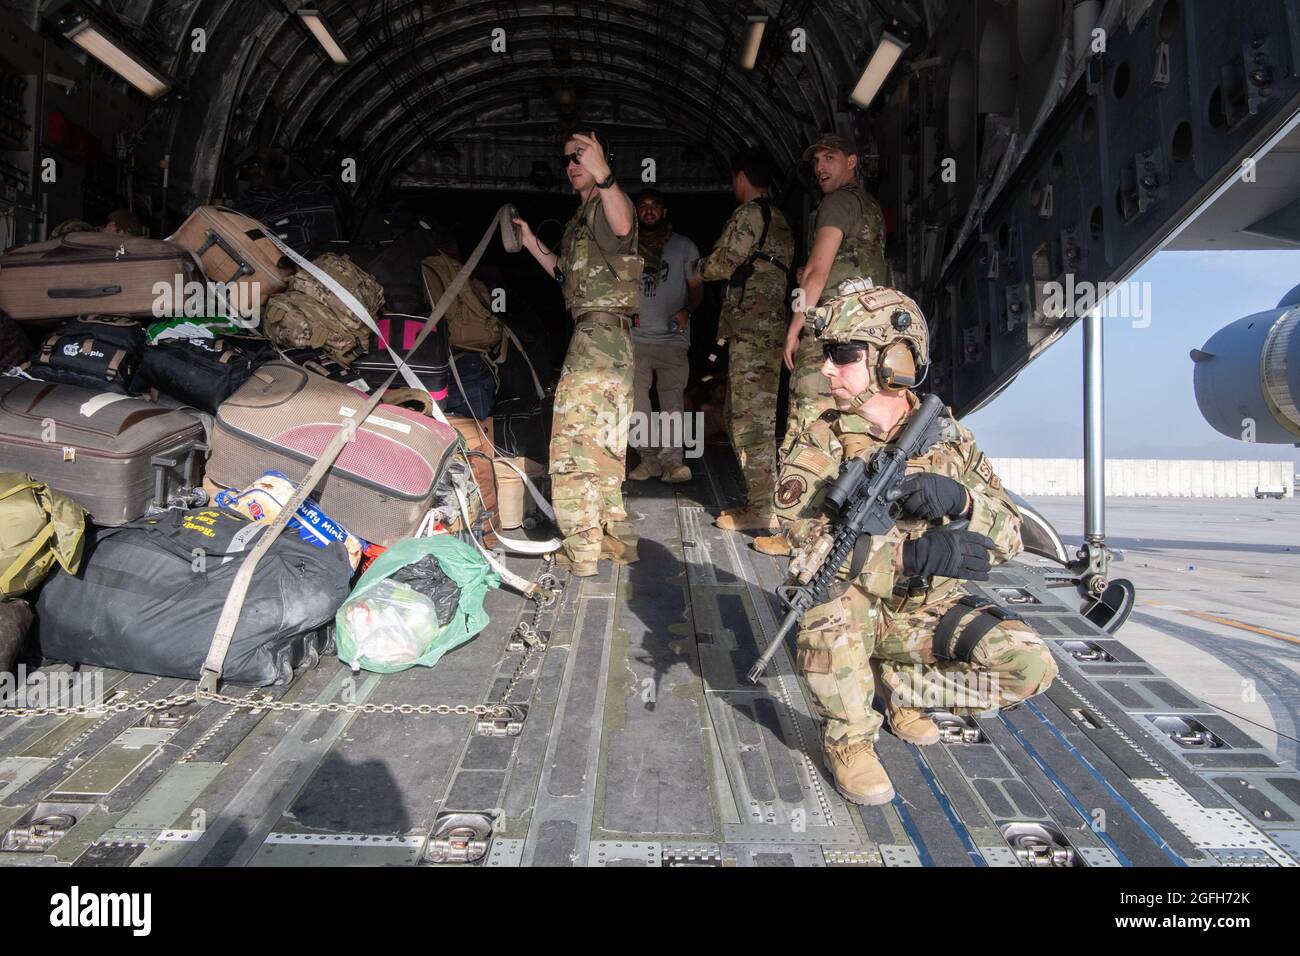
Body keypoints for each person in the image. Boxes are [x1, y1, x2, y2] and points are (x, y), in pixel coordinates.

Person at [772, 282, 1058, 805]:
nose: (827, 370)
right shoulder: (818, 438)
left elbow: (1014, 536)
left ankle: (902, 689)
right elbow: (806, 549)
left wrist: (965, 504)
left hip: (923, 611)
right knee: (822, 602)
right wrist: (905, 555)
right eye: (827, 355)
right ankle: (850, 738)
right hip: (856, 611)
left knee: (1031, 666)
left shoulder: (951, 439)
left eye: (842, 355)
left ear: (895, 360)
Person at [512, 129, 642, 576]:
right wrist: (529, 239)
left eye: (580, 156)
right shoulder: (582, 217)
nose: (572, 164)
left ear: (602, 158)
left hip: (600, 338)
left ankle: (582, 550)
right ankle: (611, 538)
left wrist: (605, 176)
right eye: (568, 158)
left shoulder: (609, 204)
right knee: (602, 440)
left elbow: (625, 224)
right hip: (601, 337)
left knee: (571, 446)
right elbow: (562, 273)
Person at [755, 132, 888, 556]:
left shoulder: (838, 203)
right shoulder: (869, 209)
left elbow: (817, 268)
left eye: (830, 158)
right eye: (816, 162)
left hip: (831, 332)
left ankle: (796, 532)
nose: (820, 168)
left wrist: (795, 326)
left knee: (808, 427)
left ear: (853, 161)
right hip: (863, 337)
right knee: (848, 430)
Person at [695, 147, 795, 532]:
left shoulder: (750, 214)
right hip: (763, 328)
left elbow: (723, 262)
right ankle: (759, 501)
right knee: (746, 416)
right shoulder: (782, 220)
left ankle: (761, 508)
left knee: (750, 421)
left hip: (752, 330)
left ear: (740, 176)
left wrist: (696, 271)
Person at [627, 188, 701, 484]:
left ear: (664, 211)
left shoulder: (684, 247)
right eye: (642, 206)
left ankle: (671, 462)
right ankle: (648, 460)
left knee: (672, 402)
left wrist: (687, 310)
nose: (648, 211)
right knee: (636, 402)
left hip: (673, 339)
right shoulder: (626, 246)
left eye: (653, 206)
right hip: (635, 338)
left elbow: (697, 288)